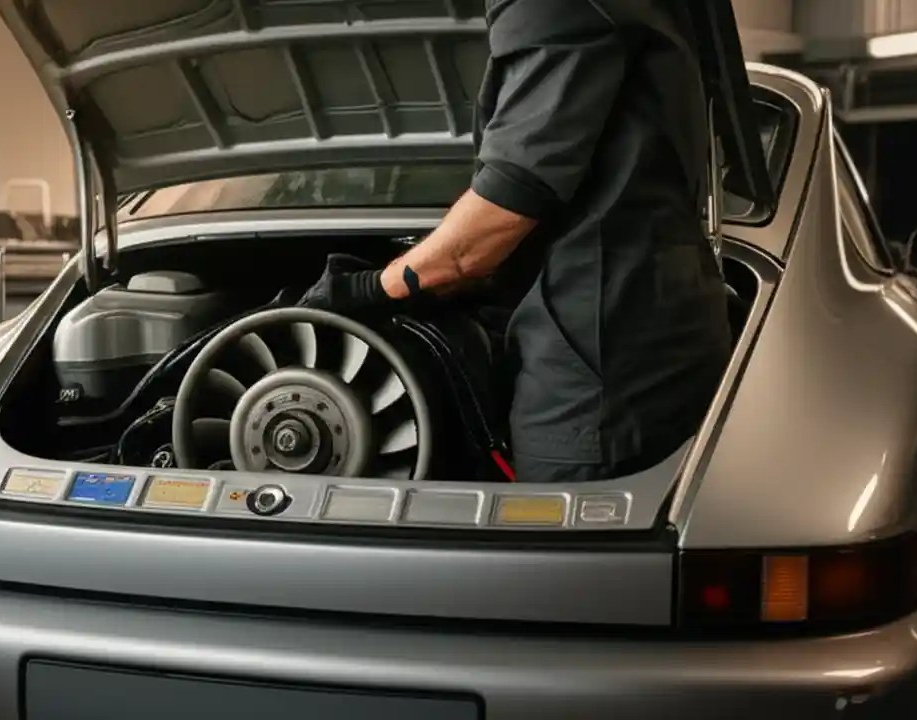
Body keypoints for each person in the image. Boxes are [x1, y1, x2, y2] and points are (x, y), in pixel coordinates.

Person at [298, 0, 732, 483]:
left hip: (597, 367)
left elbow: (503, 210)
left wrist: (368, 289)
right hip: (635, 332)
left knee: (561, 527)